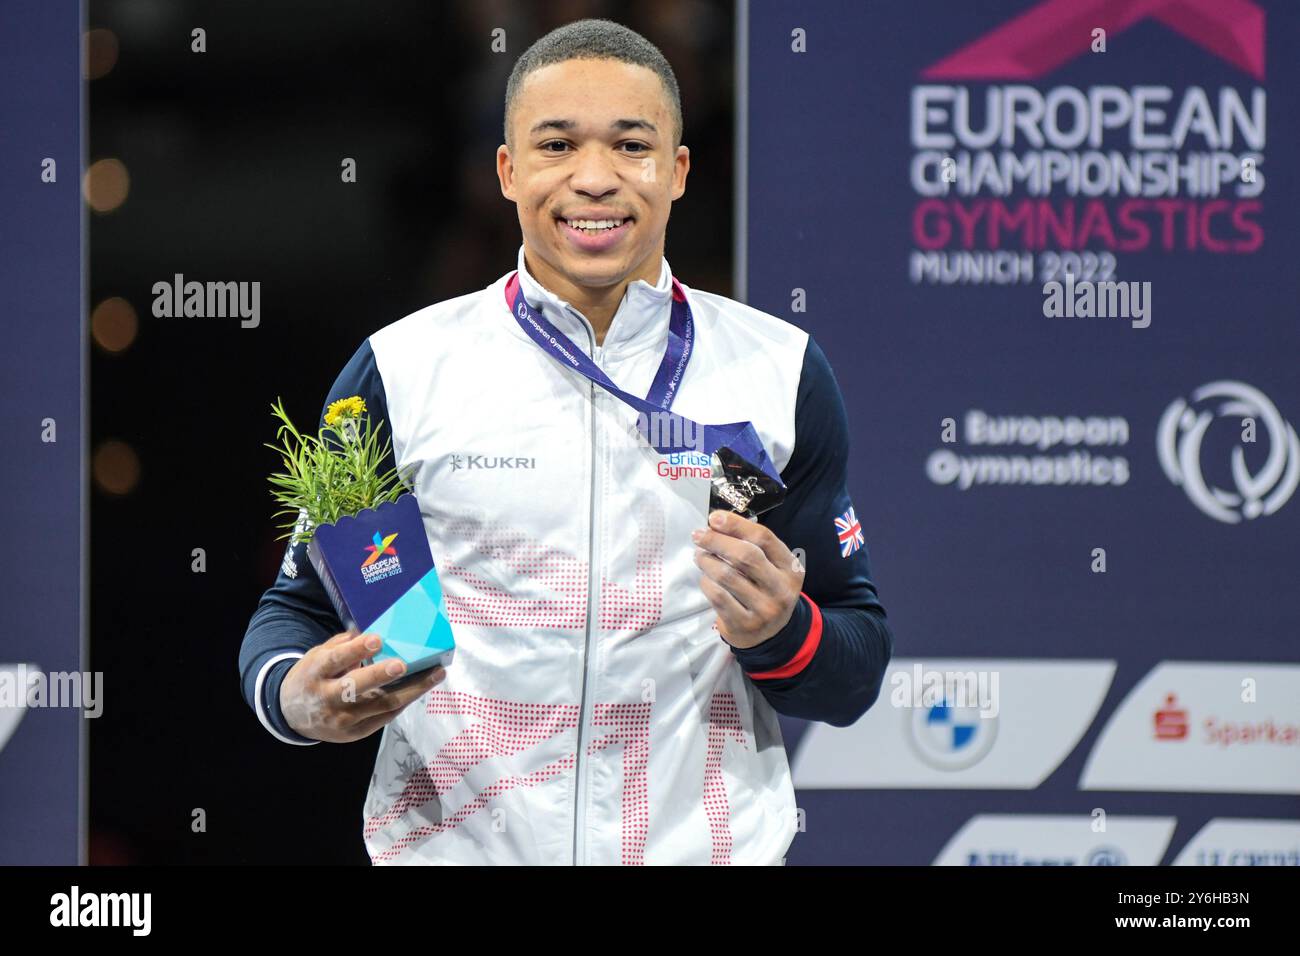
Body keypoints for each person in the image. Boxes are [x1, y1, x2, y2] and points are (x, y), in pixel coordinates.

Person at [238, 17, 892, 865]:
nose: (594, 179)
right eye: (556, 145)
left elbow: (856, 662)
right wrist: (296, 699)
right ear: (507, 171)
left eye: (631, 145)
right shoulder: (398, 373)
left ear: (679, 171)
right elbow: (298, 611)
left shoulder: (778, 373)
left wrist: (781, 630)